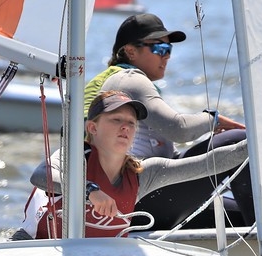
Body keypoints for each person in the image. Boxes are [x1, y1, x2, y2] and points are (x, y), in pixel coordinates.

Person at [84, 13, 254, 230]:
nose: (166, 56)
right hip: (139, 197)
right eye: (159, 49)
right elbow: (179, 129)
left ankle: (257, 235)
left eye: (169, 50)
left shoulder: (109, 79)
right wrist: (213, 119)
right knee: (238, 141)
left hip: (126, 200)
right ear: (130, 51)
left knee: (237, 217)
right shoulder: (131, 79)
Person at [13, 90, 248, 239]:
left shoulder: (144, 174)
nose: (125, 127)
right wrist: (89, 191)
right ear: (92, 128)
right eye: (116, 120)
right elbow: (40, 176)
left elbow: (211, 163)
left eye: (131, 123)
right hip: (36, 252)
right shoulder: (74, 158)